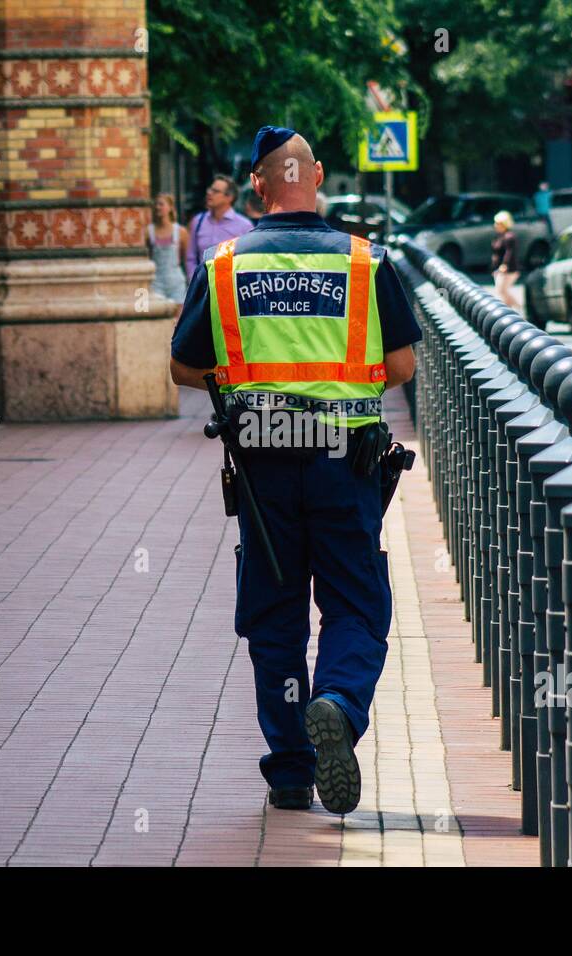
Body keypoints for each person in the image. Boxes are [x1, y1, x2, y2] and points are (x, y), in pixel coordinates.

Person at [169, 126, 421, 814]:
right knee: (356, 605)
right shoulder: (367, 262)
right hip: (346, 460)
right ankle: (337, 700)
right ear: (317, 177)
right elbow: (401, 368)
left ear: (257, 185)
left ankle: (288, 771)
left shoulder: (222, 264)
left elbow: (184, 367)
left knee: (274, 616)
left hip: (262, 465)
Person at [183, 174, 253, 277]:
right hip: (203, 287)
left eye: (215, 191)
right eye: (210, 189)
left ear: (229, 197)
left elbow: (248, 260)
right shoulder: (198, 221)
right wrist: (194, 280)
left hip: (230, 286)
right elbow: (191, 257)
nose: (209, 193)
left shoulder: (244, 226)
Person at [146, 193, 189, 304]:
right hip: (156, 281)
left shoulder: (180, 231)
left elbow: (186, 259)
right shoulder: (148, 231)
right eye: (156, 205)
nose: (157, 207)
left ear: (170, 208)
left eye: (161, 204)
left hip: (176, 281)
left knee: (178, 317)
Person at [490, 210, 520, 309]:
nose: (495, 225)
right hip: (498, 269)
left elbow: (509, 252)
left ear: (504, 224)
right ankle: (510, 313)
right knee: (501, 293)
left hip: (508, 269)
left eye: (498, 223)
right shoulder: (499, 236)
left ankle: (519, 308)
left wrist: (504, 265)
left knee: (502, 291)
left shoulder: (509, 237)